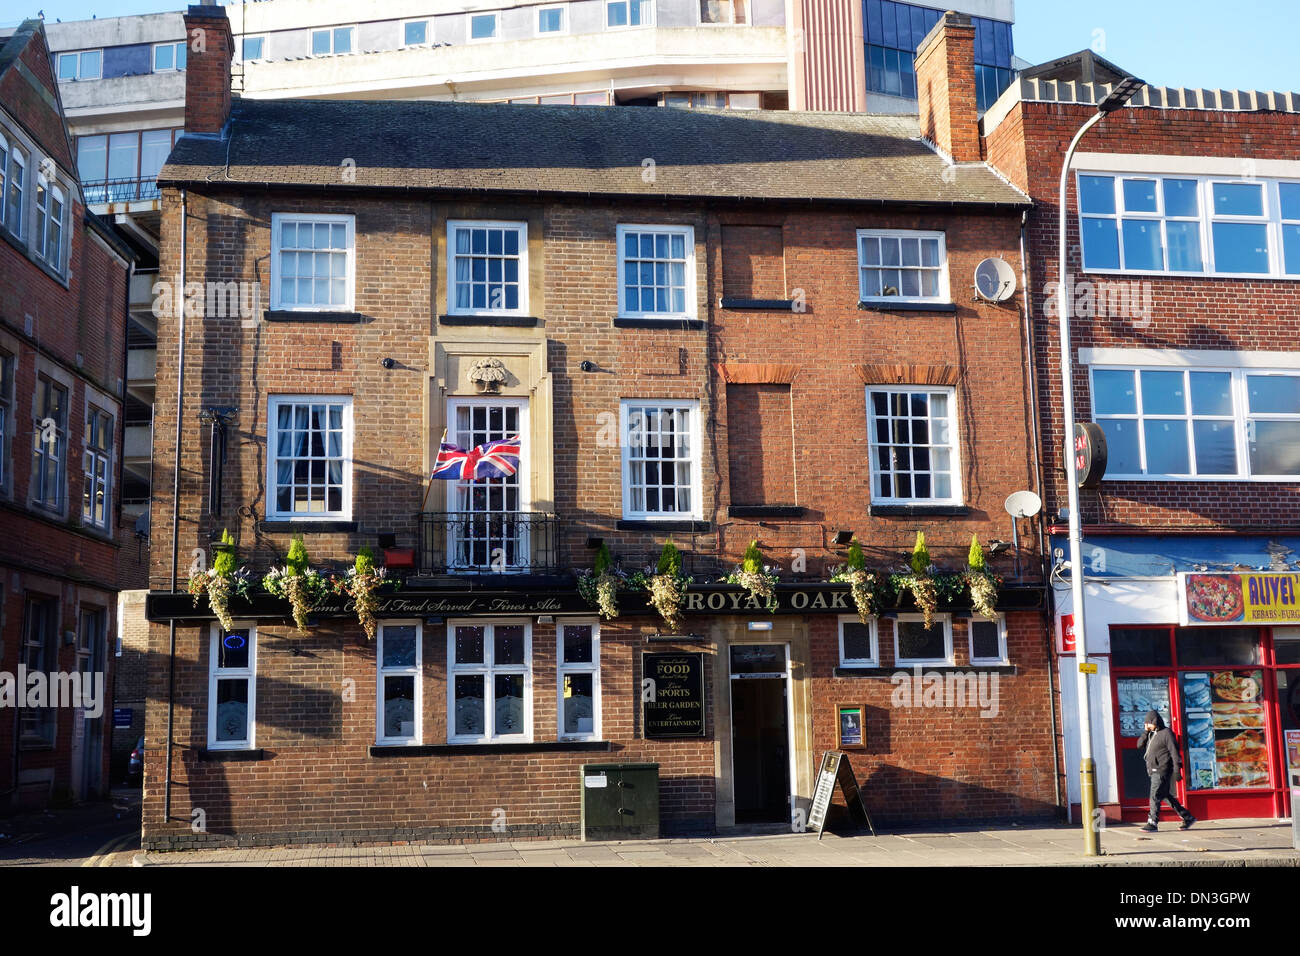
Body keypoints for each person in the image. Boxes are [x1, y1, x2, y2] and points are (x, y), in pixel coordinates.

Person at [1136, 710, 1194, 832]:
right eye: (1145, 724)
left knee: (1154, 795)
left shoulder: (1166, 733)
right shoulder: (1151, 734)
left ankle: (1152, 822)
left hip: (1162, 769)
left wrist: (1177, 770)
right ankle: (1187, 817)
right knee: (1165, 796)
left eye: (1149, 723)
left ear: (1155, 722)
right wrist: (1146, 732)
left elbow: (1174, 752)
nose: (1147, 726)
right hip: (1152, 770)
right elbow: (1139, 745)